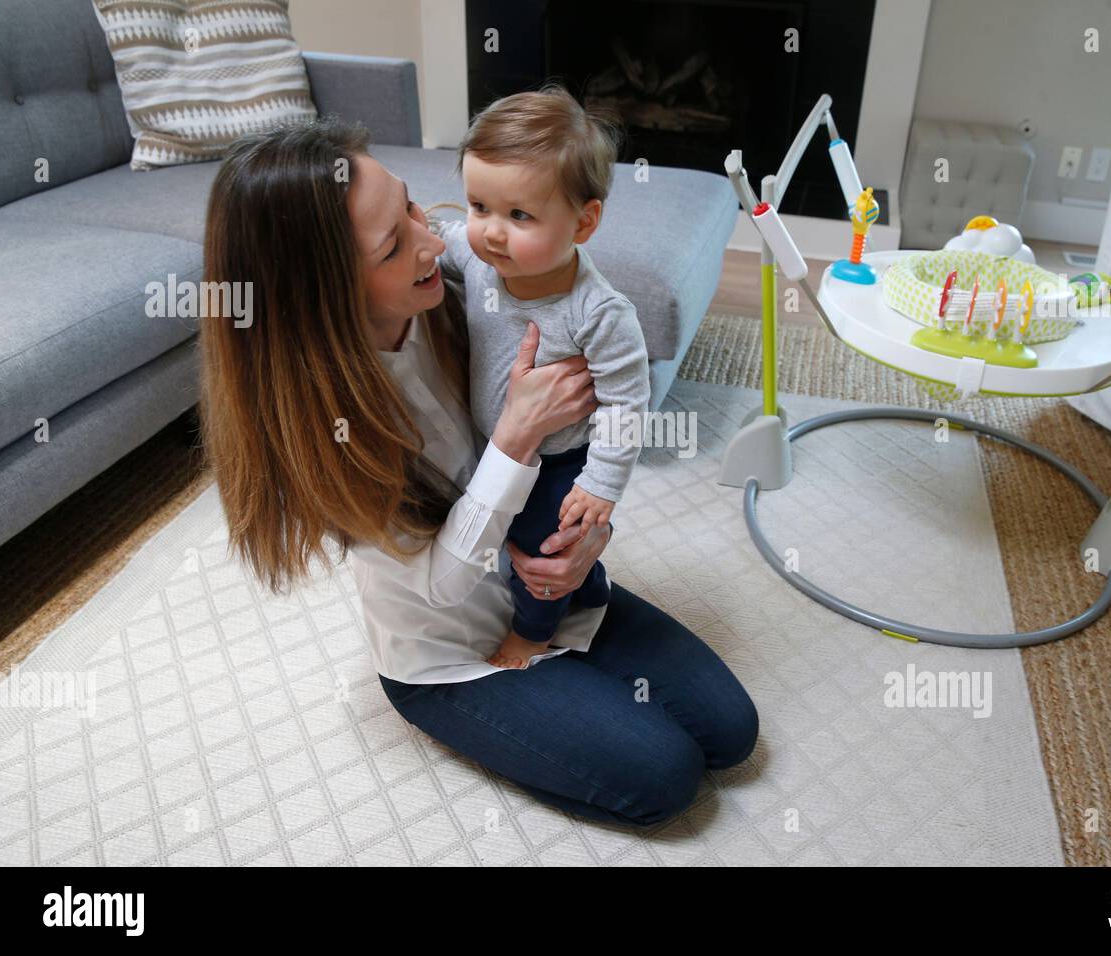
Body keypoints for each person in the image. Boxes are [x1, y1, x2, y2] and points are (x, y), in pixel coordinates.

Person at [197, 115, 758, 827]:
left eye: (408, 205)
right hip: (447, 646)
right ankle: (514, 698)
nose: (432, 239)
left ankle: (559, 662)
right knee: (665, 777)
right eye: (393, 244)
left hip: (540, 591)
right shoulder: (317, 428)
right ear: (322, 291)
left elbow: (592, 413)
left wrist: (590, 529)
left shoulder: (458, 290)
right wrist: (516, 438)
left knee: (730, 731)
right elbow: (438, 587)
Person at [436, 84, 649, 656]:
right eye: (480, 207)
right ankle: (589, 590)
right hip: (497, 444)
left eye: (519, 215)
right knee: (501, 533)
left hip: (561, 461)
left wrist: (601, 483)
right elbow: (442, 240)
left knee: (544, 543)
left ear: (583, 223)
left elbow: (627, 405)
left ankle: (531, 633)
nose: (491, 231)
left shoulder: (598, 313)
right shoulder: (481, 261)